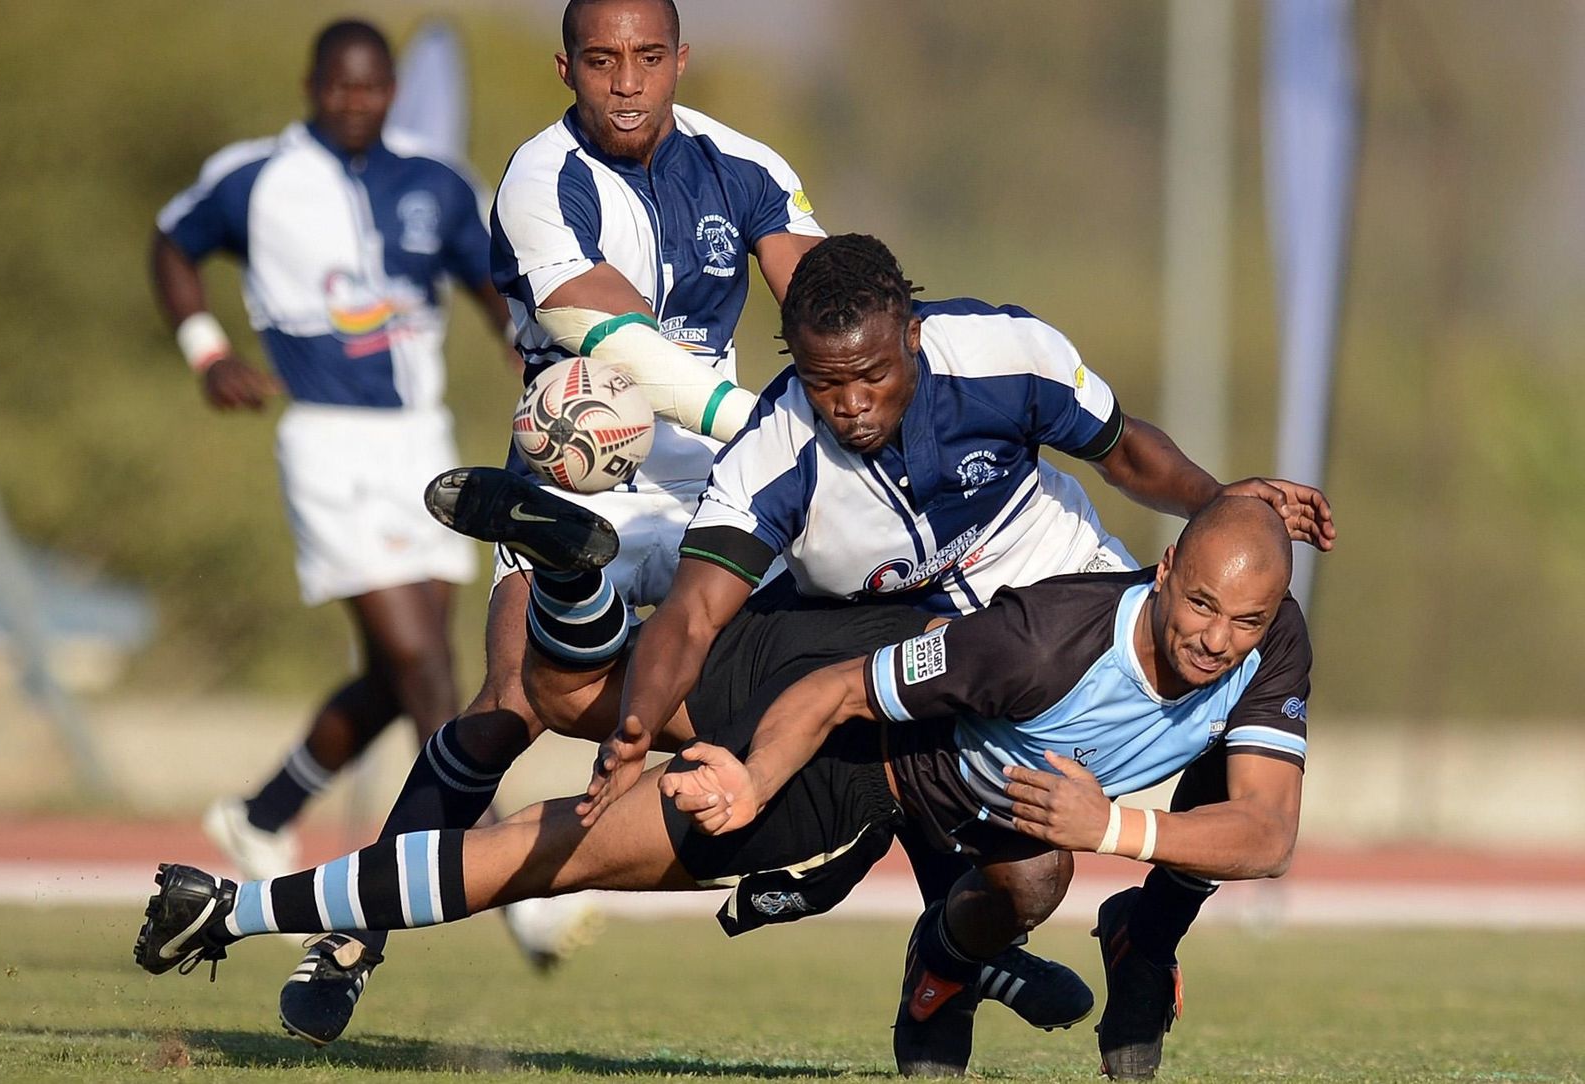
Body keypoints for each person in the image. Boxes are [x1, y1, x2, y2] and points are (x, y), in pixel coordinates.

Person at [432, 232, 1332, 1070]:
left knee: (1224, 679)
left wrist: (1228, 511)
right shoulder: (782, 443)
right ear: (798, 364)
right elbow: (701, 615)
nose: (852, 404)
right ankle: (945, 954)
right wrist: (631, 728)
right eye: (829, 382)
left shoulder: (1001, 356)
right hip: (912, 641)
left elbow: (1123, 449)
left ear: (911, 336)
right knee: (581, 701)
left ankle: (1141, 938)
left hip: (1057, 599)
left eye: (871, 374)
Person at [133, 495, 1310, 1083]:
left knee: (1039, 874)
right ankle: (228, 909)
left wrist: (1111, 826)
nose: (1216, 638)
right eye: (1199, 604)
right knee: (570, 793)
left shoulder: (1270, 639)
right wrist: (748, 781)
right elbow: (842, 692)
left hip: (967, 805)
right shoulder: (1036, 641)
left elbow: (1262, 830)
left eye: (1242, 619)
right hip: (837, 719)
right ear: (1163, 572)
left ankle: (961, 965)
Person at [258, 0, 851, 1047]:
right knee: (506, 704)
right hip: (573, 478)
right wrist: (754, 420)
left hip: (715, 488)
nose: (627, 81)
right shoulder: (540, 177)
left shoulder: (743, 164)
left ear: (680, 60)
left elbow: (830, 304)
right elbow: (610, 330)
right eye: (603, 60)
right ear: (566, 66)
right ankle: (351, 939)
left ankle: (877, 891)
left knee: (827, 675)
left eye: (649, 58)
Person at [147, 17, 592, 1002]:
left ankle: (262, 812)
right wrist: (207, 352)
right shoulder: (255, 177)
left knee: (405, 672)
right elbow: (171, 245)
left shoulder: (433, 184)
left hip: (420, 443)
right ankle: (510, 884)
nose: (358, 102)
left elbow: (494, 289)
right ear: (312, 84)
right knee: (429, 667)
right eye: (341, 86)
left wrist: (547, 372)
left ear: (393, 90)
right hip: (327, 442)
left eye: (373, 88)